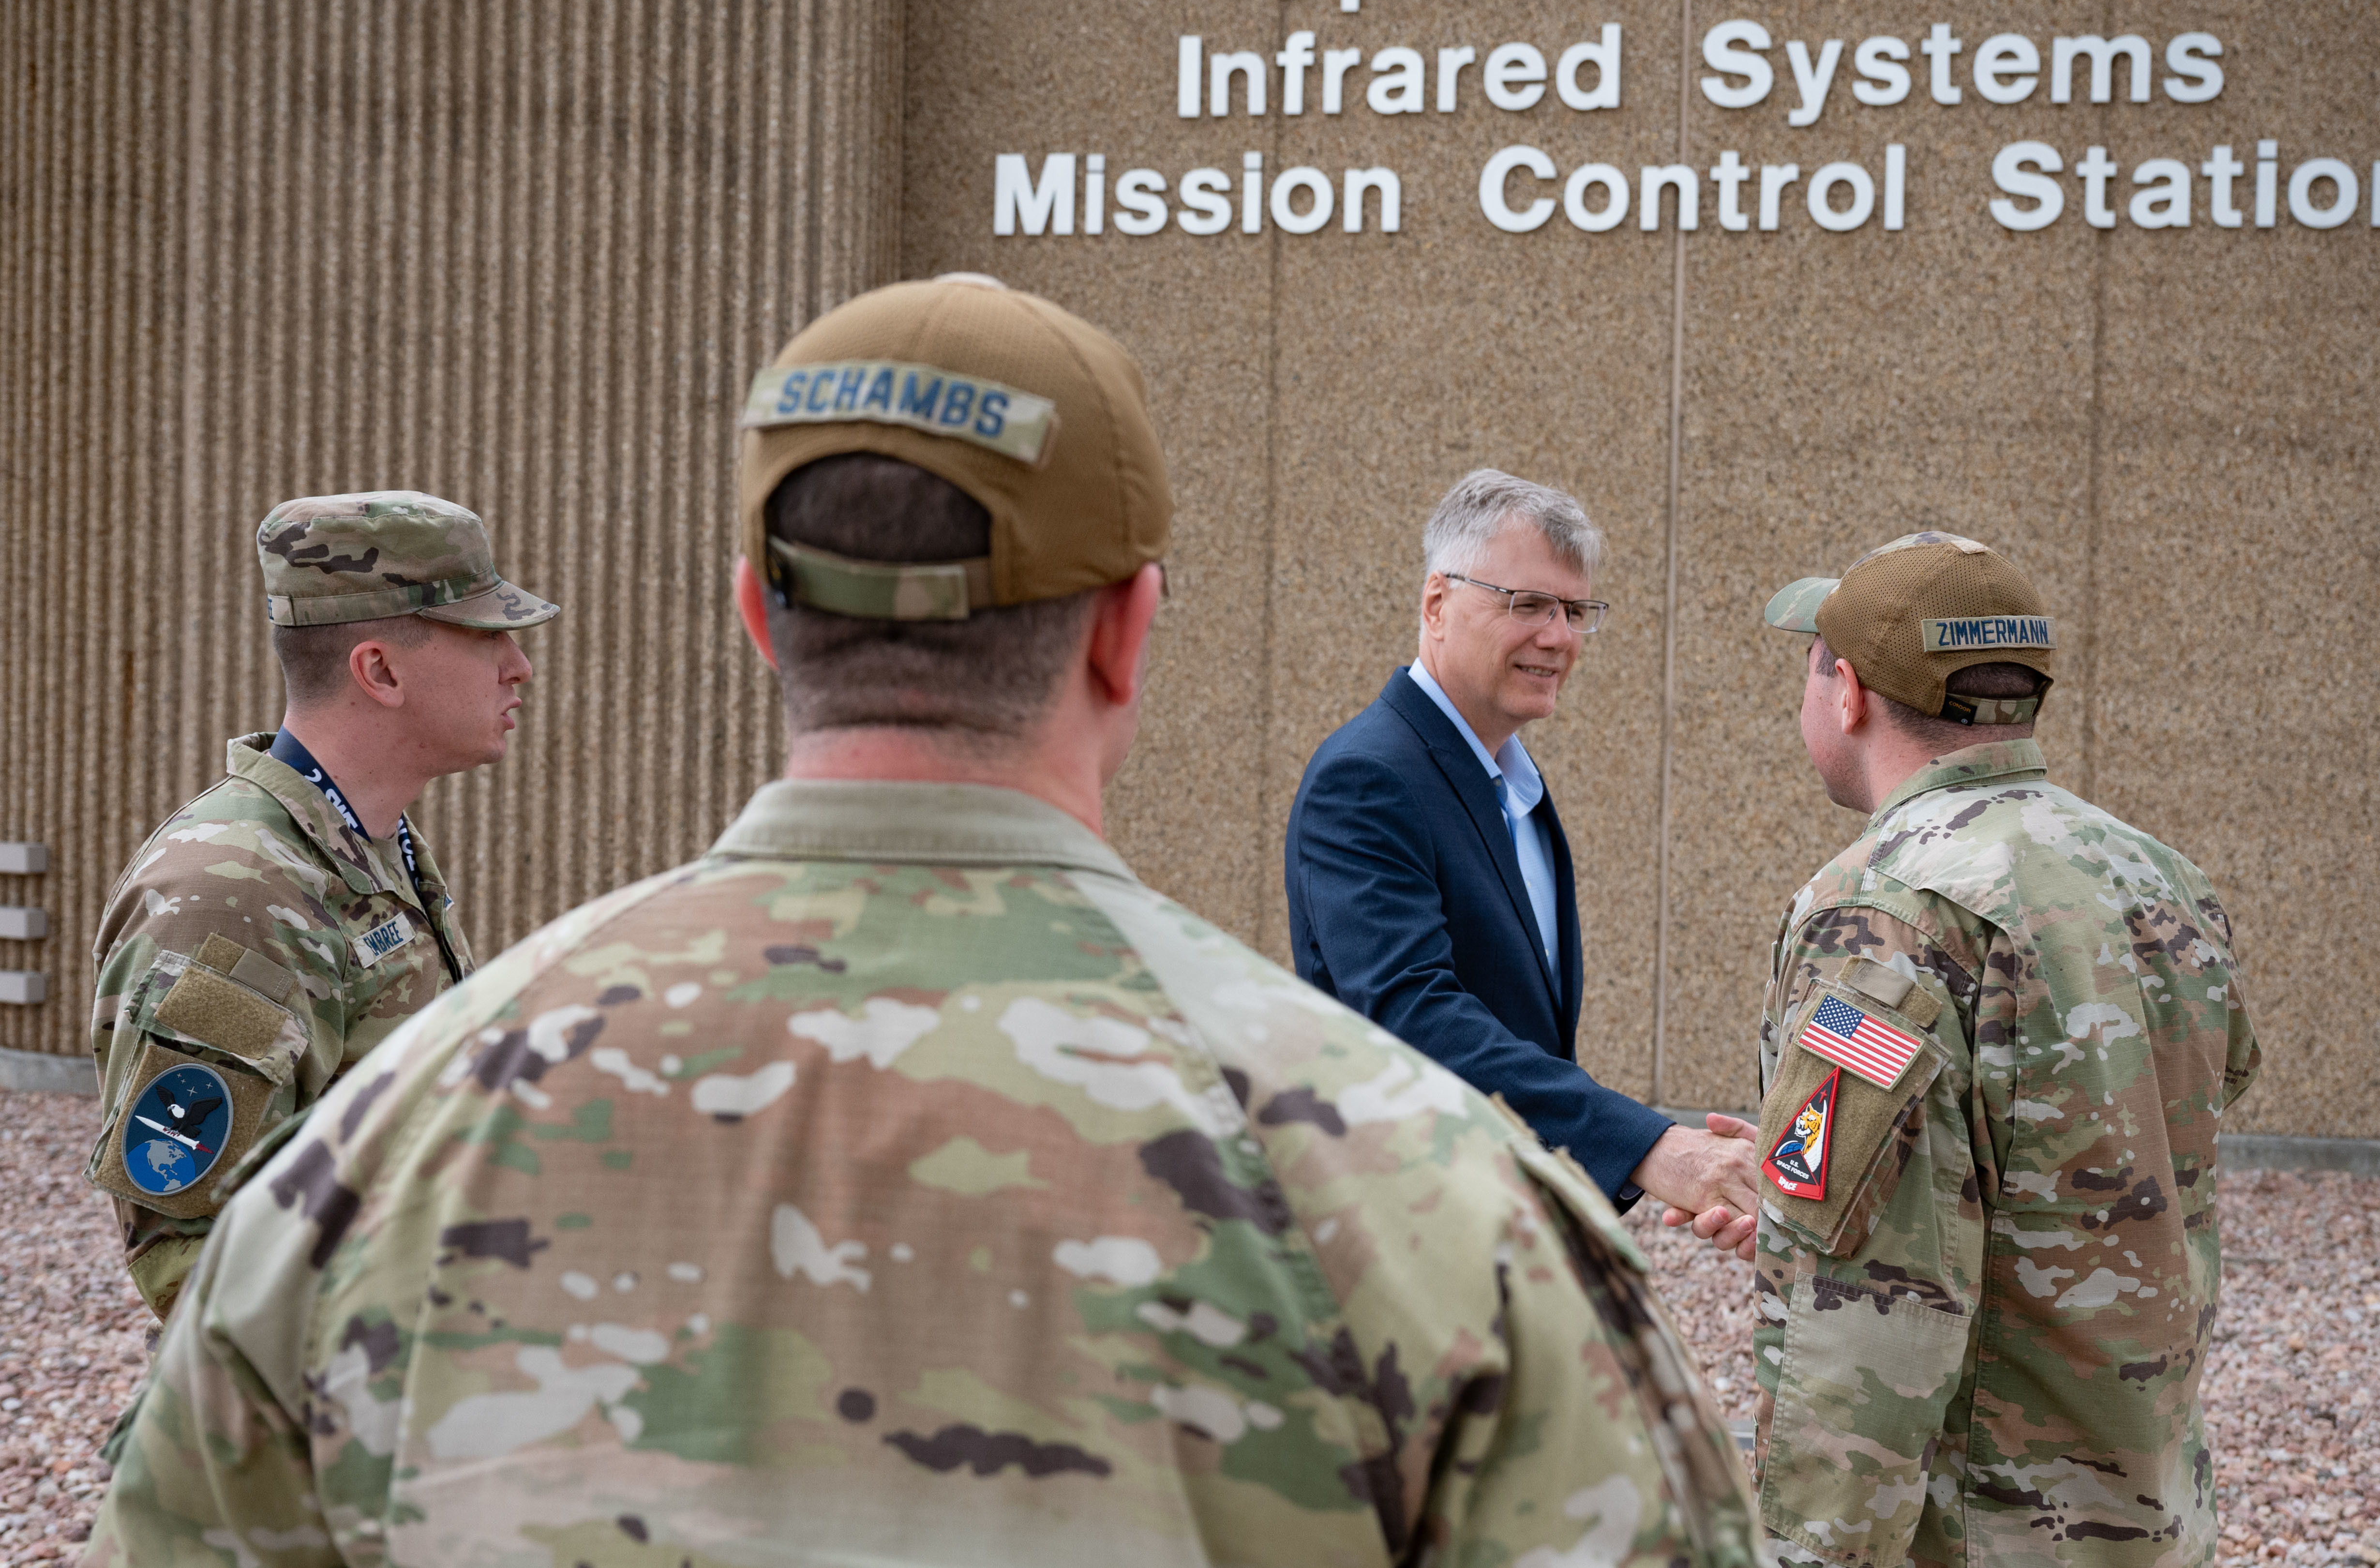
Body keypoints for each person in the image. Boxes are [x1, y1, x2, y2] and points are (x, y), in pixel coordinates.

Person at [85, 278, 1754, 1568]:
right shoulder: (1432, 1196)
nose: (1554, 632)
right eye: (1529, 600)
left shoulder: (386, 1145)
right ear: (1130, 631)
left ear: (758, 614)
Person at [1677, 531, 2262, 1568]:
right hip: (2145, 1515)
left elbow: (1862, 1307)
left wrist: (1810, 1552)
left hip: (1982, 1528)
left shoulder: (1885, 908)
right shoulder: (2160, 877)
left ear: (1846, 692)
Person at [83, 491, 554, 1317]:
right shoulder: (237, 891)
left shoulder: (363, 842)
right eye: (487, 637)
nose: (520, 666)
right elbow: (191, 1257)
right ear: (379, 670)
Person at [1285, 470, 1755, 1220]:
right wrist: (1650, 1146)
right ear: (1437, 604)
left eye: (1574, 610)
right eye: (1528, 604)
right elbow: (1413, 1014)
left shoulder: (1513, 781)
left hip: (1502, 1224)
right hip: (1405, 1232)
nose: (1559, 637)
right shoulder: (1367, 777)